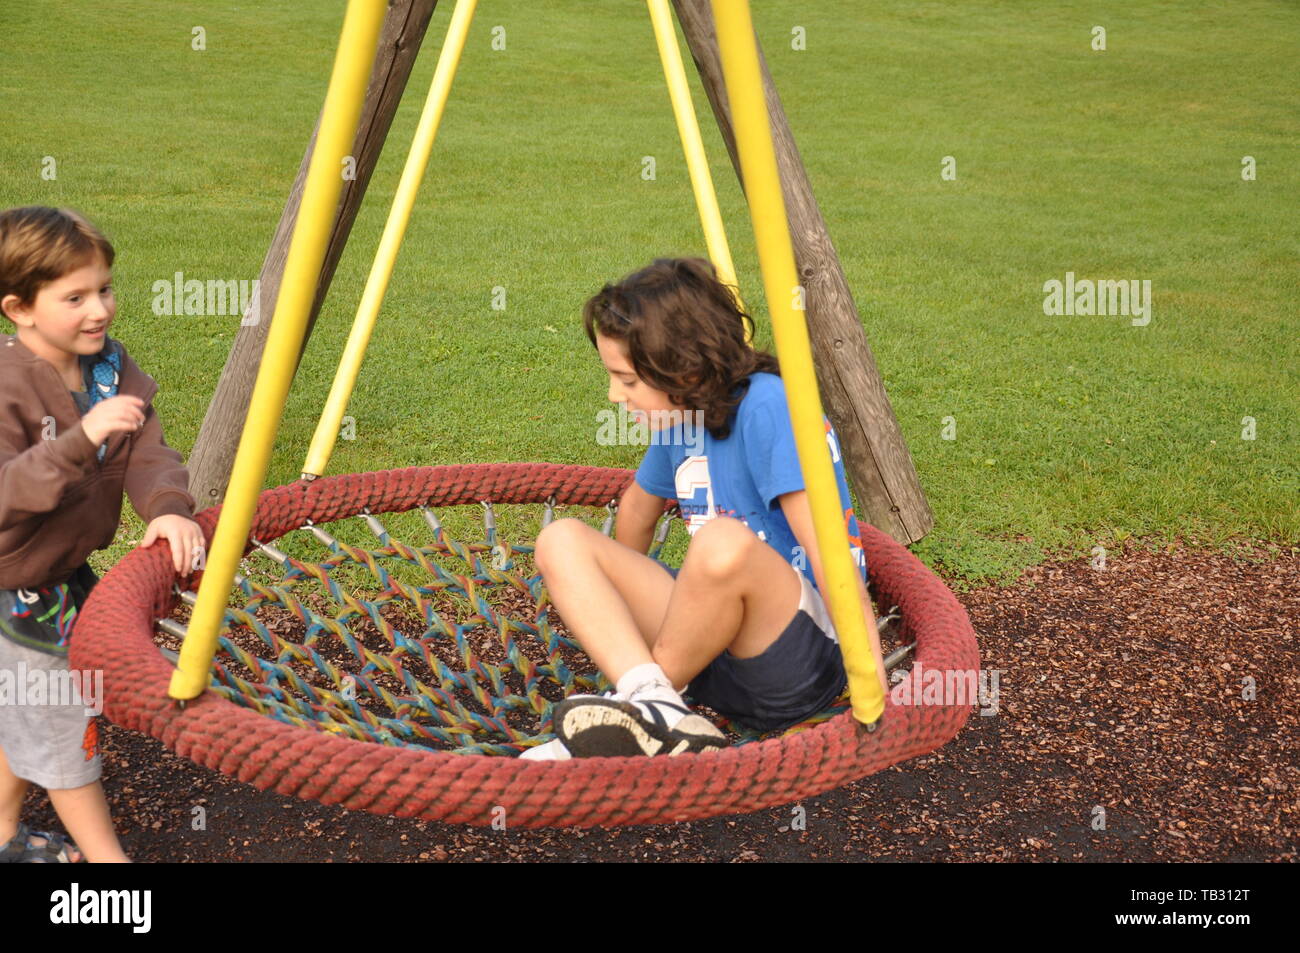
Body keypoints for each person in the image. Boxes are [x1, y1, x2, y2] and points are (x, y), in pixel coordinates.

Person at [521, 257, 887, 760]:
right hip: (708, 664)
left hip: (794, 661)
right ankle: (651, 697)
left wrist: (870, 682)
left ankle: (636, 716)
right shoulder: (681, 415)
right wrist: (623, 612)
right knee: (561, 539)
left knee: (720, 540)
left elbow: (830, 553)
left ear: (684, 368)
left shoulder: (769, 407)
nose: (614, 396)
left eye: (627, 381)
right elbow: (636, 512)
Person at [0, 206, 203, 861]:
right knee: (63, 724)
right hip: (12, 594)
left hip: (59, 574)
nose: (100, 309)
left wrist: (167, 505)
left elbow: (145, 444)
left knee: (28, 719)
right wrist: (79, 441)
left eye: (105, 288)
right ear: (19, 308)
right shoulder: (7, 387)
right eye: (76, 297)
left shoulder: (109, 368)